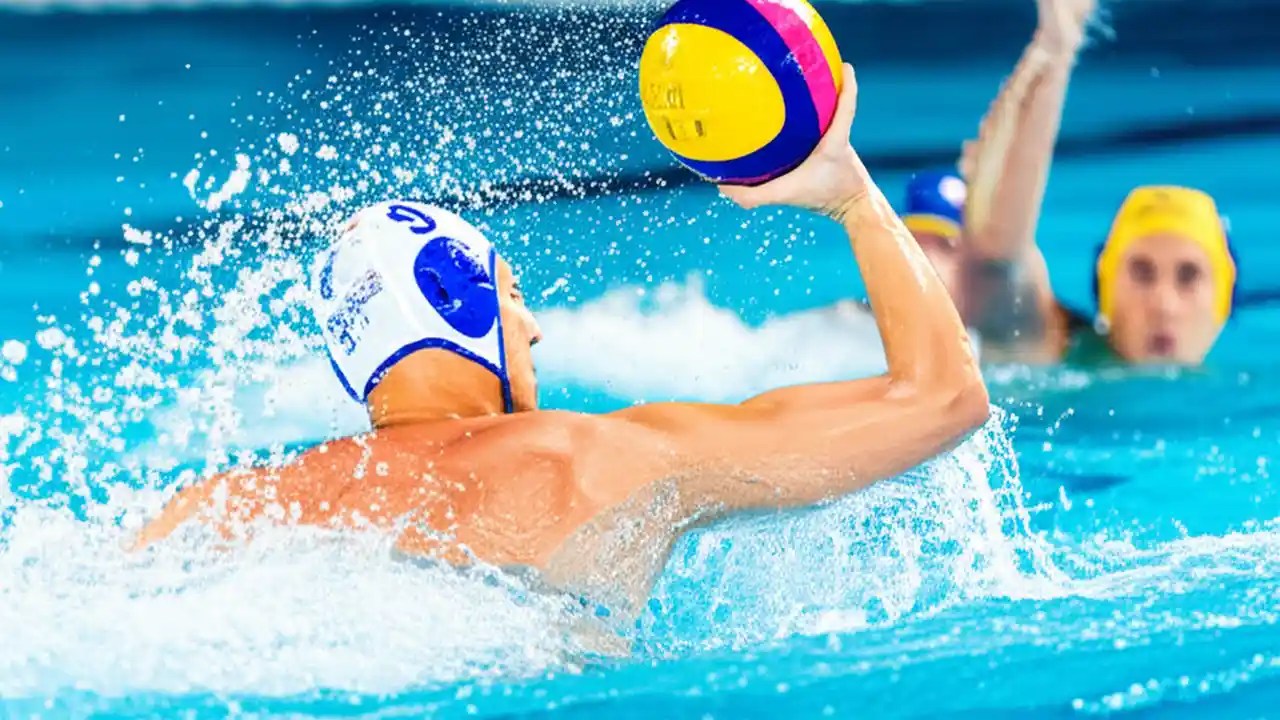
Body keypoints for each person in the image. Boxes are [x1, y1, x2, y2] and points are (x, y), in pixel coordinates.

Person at [131, 64, 989, 617]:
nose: (535, 327)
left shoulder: (217, 509)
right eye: (510, 296)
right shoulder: (597, 459)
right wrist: (849, 194)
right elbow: (944, 399)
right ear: (454, 299)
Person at [959, 0, 1237, 365]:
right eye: (1141, 272)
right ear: (1102, 283)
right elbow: (996, 260)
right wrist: (1055, 51)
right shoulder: (1062, 354)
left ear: (1225, 294)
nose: (1164, 305)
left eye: (1189, 276)